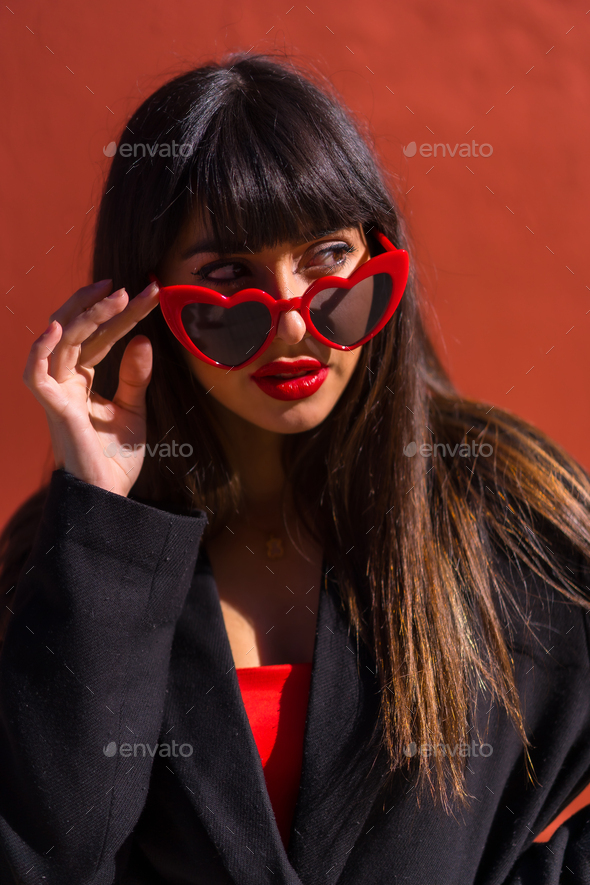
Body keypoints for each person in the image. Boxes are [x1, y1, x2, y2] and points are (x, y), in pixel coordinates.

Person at [0, 51, 589, 885]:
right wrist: (104, 522)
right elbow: (42, 859)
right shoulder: (72, 557)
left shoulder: (506, 507)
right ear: (145, 303)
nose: (292, 325)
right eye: (228, 278)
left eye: (325, 259)